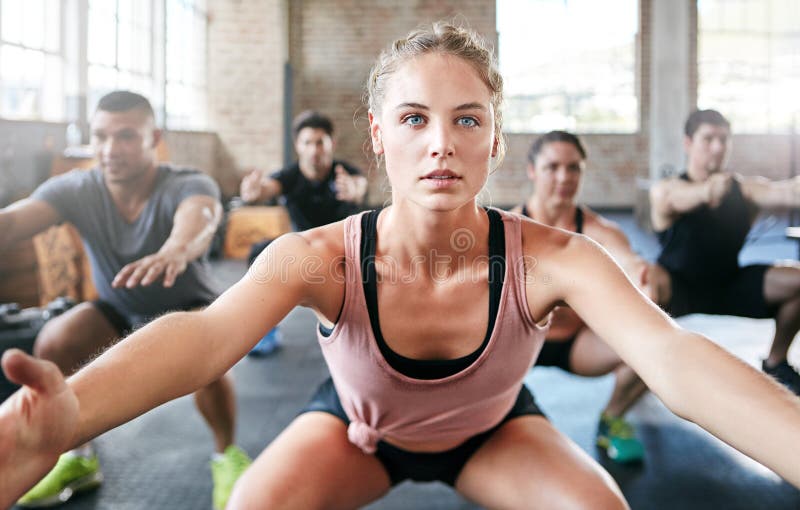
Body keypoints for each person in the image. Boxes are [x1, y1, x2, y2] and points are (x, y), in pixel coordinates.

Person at [2, 24, 800, 510]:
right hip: (358, 436)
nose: (441, 143)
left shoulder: (555, 258)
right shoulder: (318, 260)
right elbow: (207, 339)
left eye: (467, 120)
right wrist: (75, 413)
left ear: (496, 139)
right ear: (379, 136)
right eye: (415, 119)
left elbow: (673, 358)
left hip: (494, 433)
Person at [0, 91, 250, 509]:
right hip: (120, 305)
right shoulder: (76, 188)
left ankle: (227, 455)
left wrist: (176, 249)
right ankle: (79, 459)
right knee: (55, 343)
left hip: (189, 305)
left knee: (209, 359)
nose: (110, 149)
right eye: (101, 136)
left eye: (126, 136)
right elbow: (10, 224)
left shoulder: (186, 181)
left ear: (155, 138)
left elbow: (201, 217)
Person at [512, 130, 656, 463]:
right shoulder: (508, 228)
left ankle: (612, 419)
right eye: (552, 167)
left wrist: (640, 274)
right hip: (517, 345)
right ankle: (492, 425)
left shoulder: (599, 231)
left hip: (577, 344)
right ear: (532, 171)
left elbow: (628, 262)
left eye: (573, 168)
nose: (564, 177)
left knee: (652, 343)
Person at [650, 109, 800, 395]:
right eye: (708, 139)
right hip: (678, 288)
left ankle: (776, 362)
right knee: (647, 283)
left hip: (727, 284)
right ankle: (625, 392)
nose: (717, 147)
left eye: (723, 139)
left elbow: (788, 191)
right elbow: (673, 198)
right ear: (688, 143)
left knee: (797, 279)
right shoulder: (667, 189)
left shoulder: (743, 190)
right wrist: (707, 192)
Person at [239, 110, 367, 355]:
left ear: (332, 144)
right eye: (307, 143)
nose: (314, 150)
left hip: (344, 250)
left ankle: (368, 331)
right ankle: (264, 331)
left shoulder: (345, 174)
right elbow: (268, 187)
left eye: (320, 142)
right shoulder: (289, 176)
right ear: (298, 146)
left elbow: (359, 186)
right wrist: (255, 191)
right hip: (304, 249)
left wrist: (355, 191)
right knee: (259, 252)